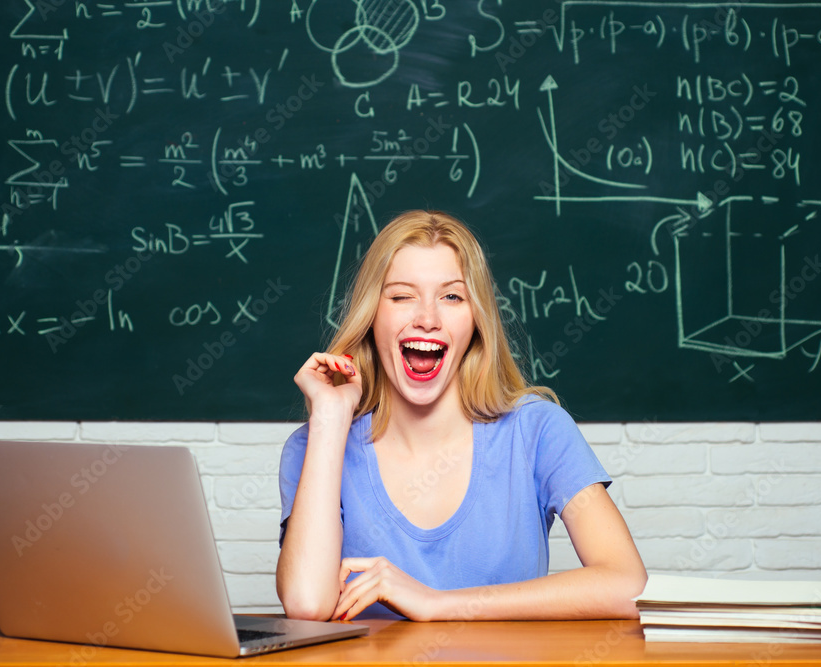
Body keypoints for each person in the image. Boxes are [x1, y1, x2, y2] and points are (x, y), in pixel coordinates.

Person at [276, 210, 647, 623]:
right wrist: (330, 418)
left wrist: (436, 605)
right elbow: (307, 605)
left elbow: (627, 586)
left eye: (452, 297)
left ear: (476, 320)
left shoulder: (537, 431)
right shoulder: (313, 447)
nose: (428, 319)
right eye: (401, 296)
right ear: (372, 316)